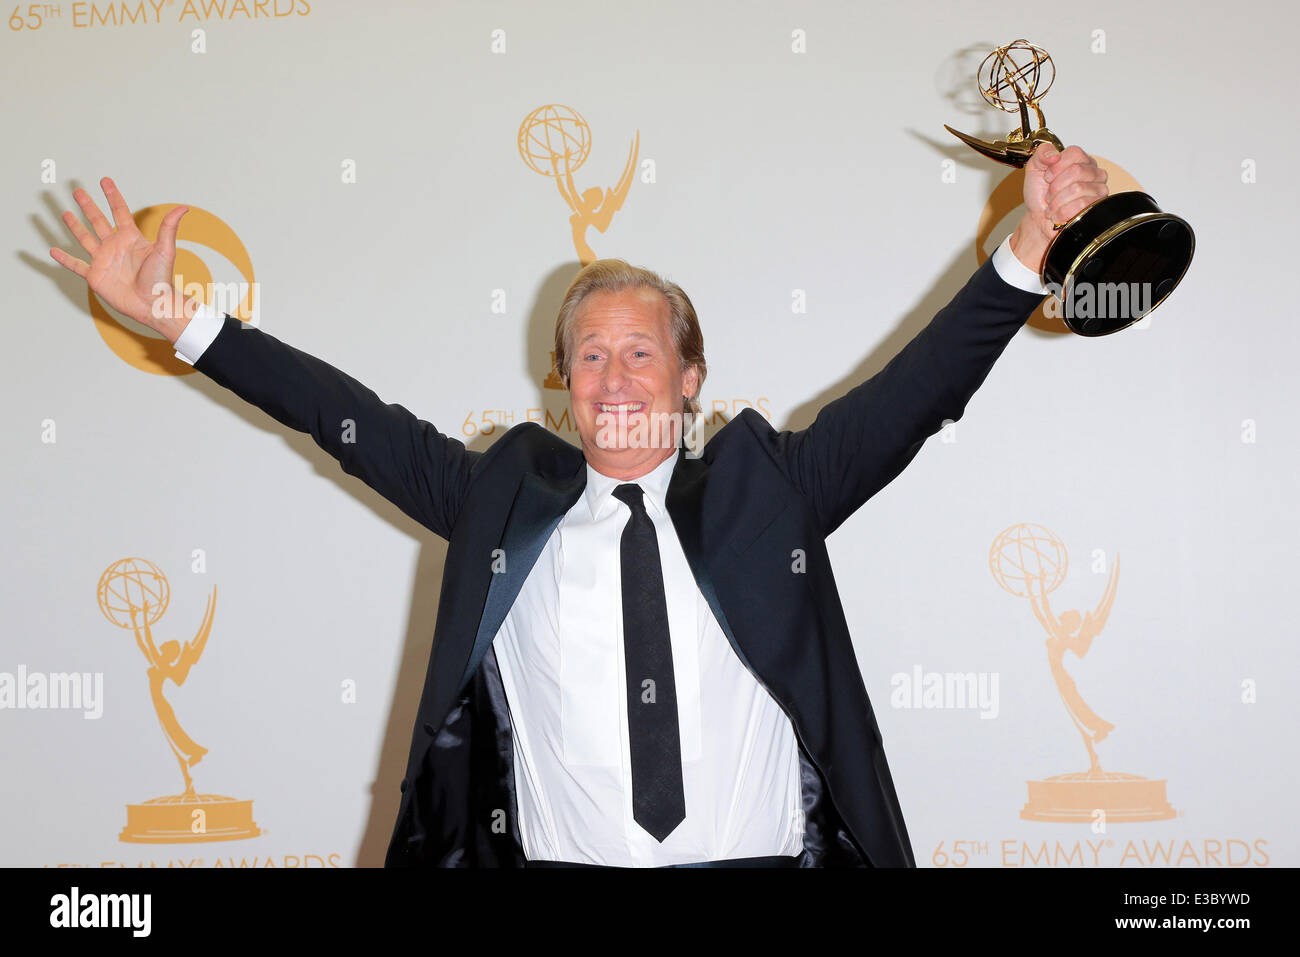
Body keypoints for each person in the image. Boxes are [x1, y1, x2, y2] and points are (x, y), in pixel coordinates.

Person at [49, 145, 1109, 867]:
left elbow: (912, 398)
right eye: (588, 355)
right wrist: (186, 324)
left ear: (691, 375)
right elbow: (344, 418)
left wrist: (1026, 250)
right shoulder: (498, 500)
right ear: (561, 382)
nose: (612, 375)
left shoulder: (771, 492)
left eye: (640, 351)